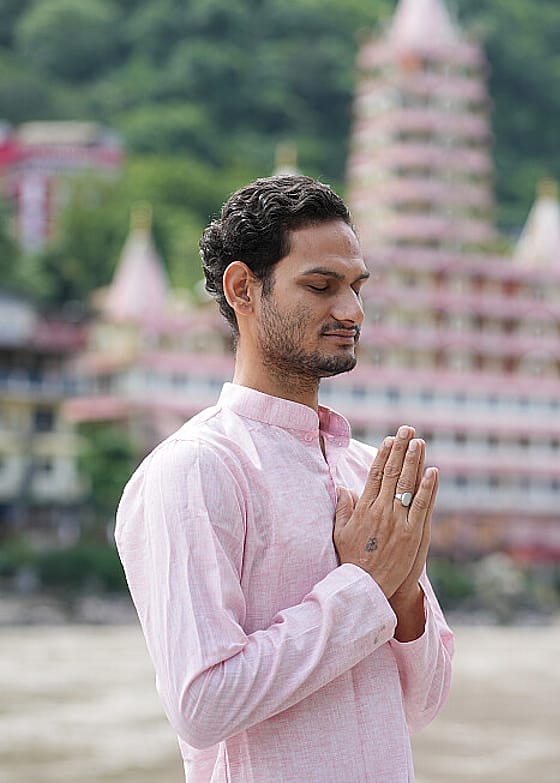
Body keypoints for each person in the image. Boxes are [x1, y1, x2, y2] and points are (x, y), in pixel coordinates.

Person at [115, 175, 454, 782]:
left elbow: (422, 707)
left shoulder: (366, 471)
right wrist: (365, 585)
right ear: (243, 289)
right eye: (321, 286)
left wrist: (403, 594)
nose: (352, 311)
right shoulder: (196, 469)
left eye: (356, 287)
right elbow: (203, 706)